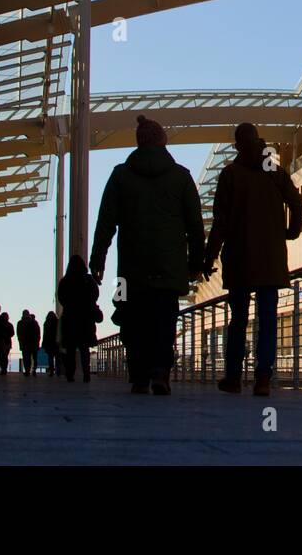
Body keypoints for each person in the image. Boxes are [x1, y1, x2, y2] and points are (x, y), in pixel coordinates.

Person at [91, 116, 205, 396]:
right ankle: (161, 373)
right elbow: (195, 226)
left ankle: (139, 375)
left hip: (131, 268)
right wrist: (196, 263)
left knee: (133, 319)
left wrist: (97, 260)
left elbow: (106, 221)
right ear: (162, 140)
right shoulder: (181, 176)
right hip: (169, 266)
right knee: (165, 321)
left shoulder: (120, 175)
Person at [204, 122, 302, 397]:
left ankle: (234, 377)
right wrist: (290, 232)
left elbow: (220, 224)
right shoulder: (274, 172)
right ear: (259, 141)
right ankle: (262, 378)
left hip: (239, 257)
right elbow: (297, 203)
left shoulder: (230, 175)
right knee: (268, 317)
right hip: (270, 258)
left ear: (237, 145)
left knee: (238, 318)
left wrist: (208, 257)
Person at [57, 256, 100, 383]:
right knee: (84, 348)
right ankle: (86, 373)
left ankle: (70, 373)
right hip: (85, 318)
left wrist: (70, 305)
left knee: (70, 348)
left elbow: (61, 297)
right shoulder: (88, 279)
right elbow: (95, 294)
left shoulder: (65, 280)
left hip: (71, 317)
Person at [17, 310, 41, 375]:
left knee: (26, 358)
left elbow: (18, 333)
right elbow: (38, 333)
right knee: (34, 357)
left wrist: (20, 341)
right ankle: (33, 370)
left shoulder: (20, 323)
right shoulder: (34, 322)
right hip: (33, 343)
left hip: (25, 343)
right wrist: (37, 341)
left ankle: (27, 370)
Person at [42, 311, 61, 377]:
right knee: (58, 358)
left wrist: (43, 344)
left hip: (49, 343)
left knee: (50, 358)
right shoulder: (58, 322)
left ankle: (51, 372)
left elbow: (45, 334)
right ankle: (58, 372)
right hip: (56, 343)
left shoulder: (46, 323)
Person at [0, 311, 15, 376]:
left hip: (2, 342)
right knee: (4, 357)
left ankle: (2, 369)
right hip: (7, 342)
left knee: (1, 356)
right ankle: (3, 369)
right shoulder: (9, 325)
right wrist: (7, 335)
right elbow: (12, 333)